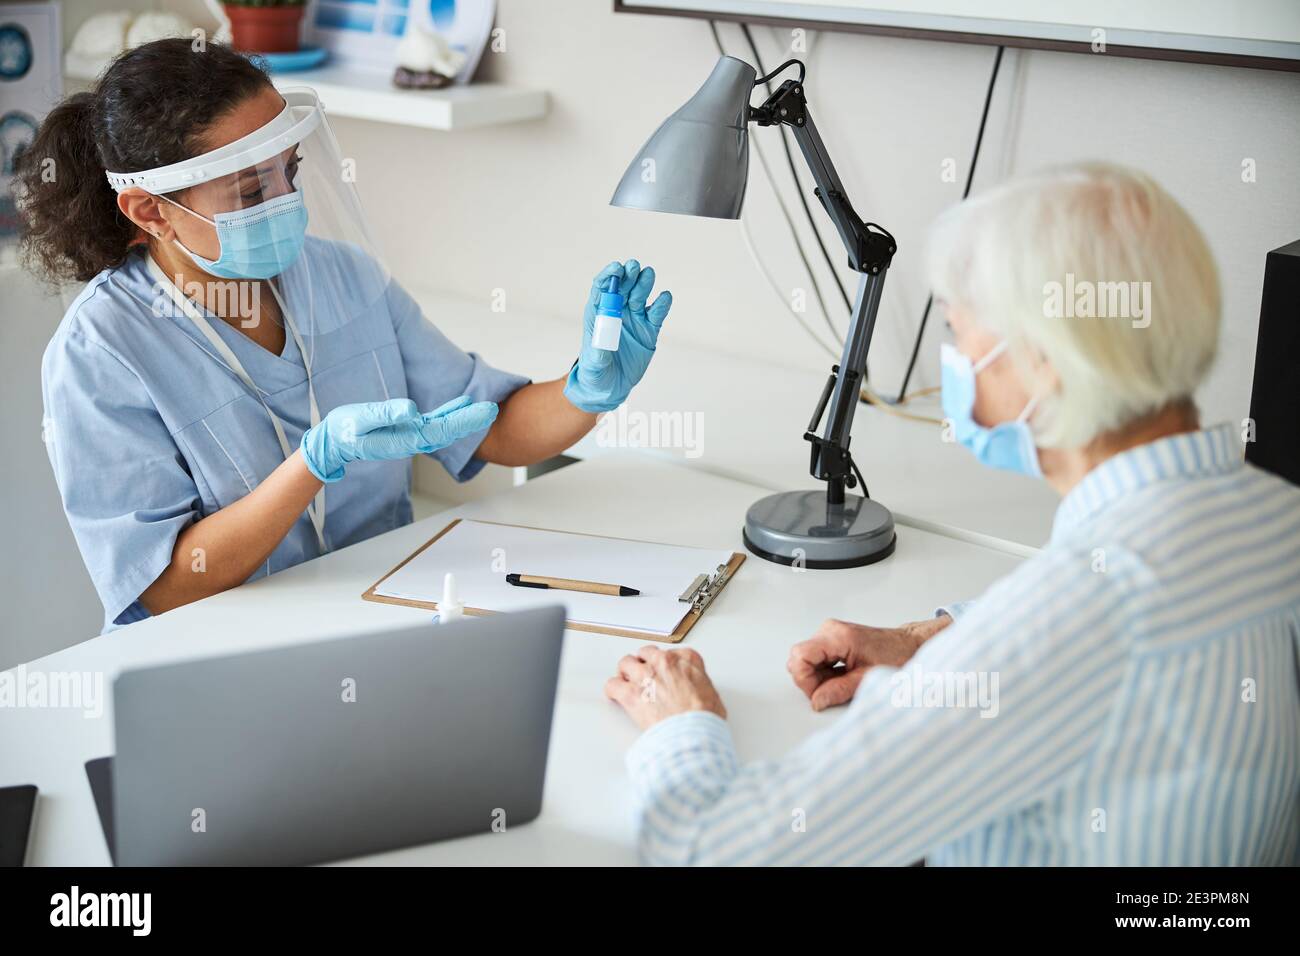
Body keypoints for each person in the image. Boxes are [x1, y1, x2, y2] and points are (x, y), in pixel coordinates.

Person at [604, 162, 1300, 866]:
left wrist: (680, 724)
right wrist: (936, 637)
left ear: (1043, 361)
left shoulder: (1069, 623)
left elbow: (710, 851)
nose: (953, 363)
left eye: (959, 330)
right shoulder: (1276, 519)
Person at [20, 40, 670, 632]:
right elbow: (163, 587)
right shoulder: (101, 352)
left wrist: (589, 385)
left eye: (290, 173)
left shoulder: (341, 276)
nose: (283, 202)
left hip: (381, 620)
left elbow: (491, 425)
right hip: (215, 658)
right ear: (150, 210)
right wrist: (311, 464)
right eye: (251, 191)